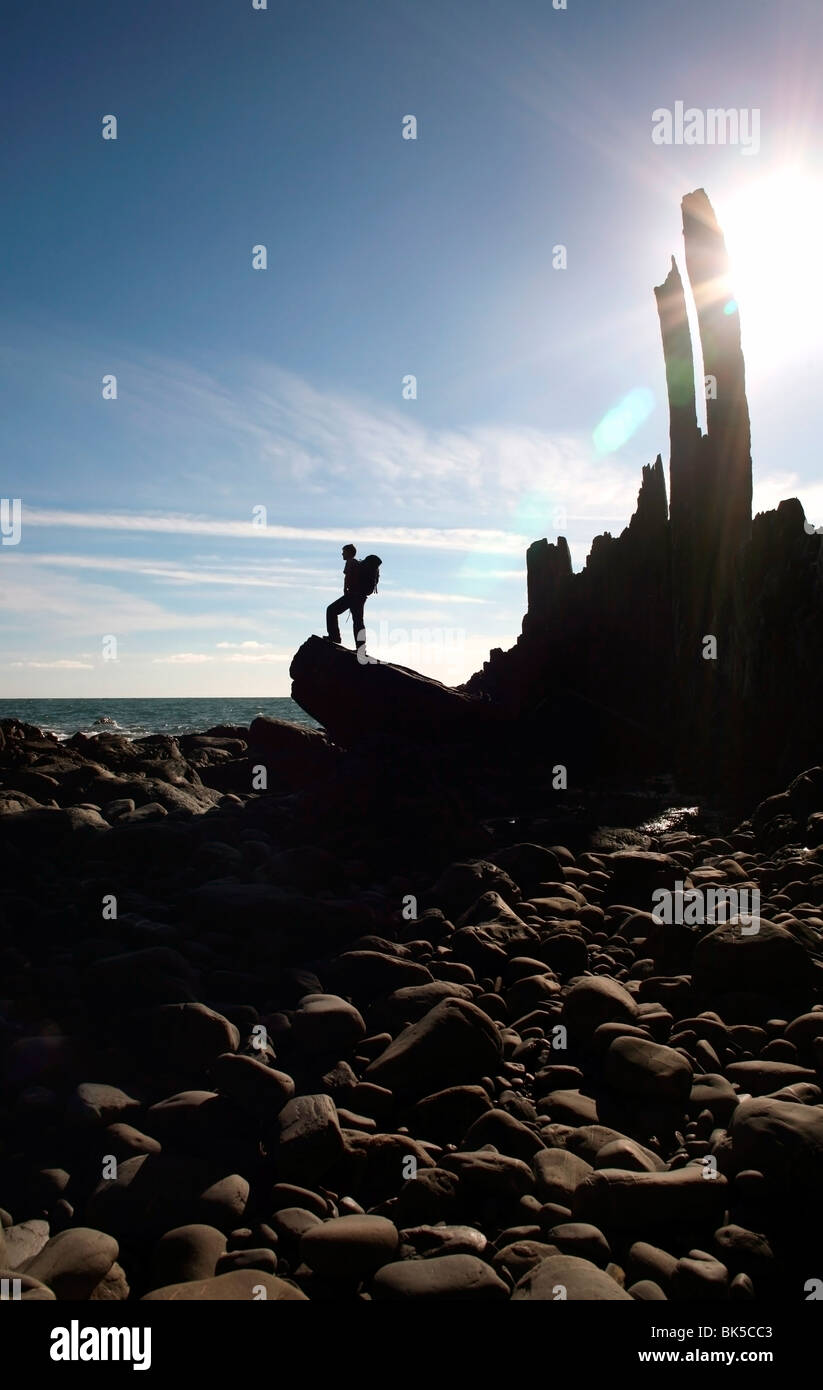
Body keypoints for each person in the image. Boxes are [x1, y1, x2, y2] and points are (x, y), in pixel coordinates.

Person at [326, 544, 365, 648]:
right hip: (360, 596)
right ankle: (361, 648)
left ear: (349, 552)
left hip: (352, 595)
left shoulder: (350, 562)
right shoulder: (356, 563)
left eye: (344, 551)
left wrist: (345, 590)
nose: (342, 553)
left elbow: (348, 577)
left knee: (331, 610)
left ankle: (335, 637)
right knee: (358, 622)